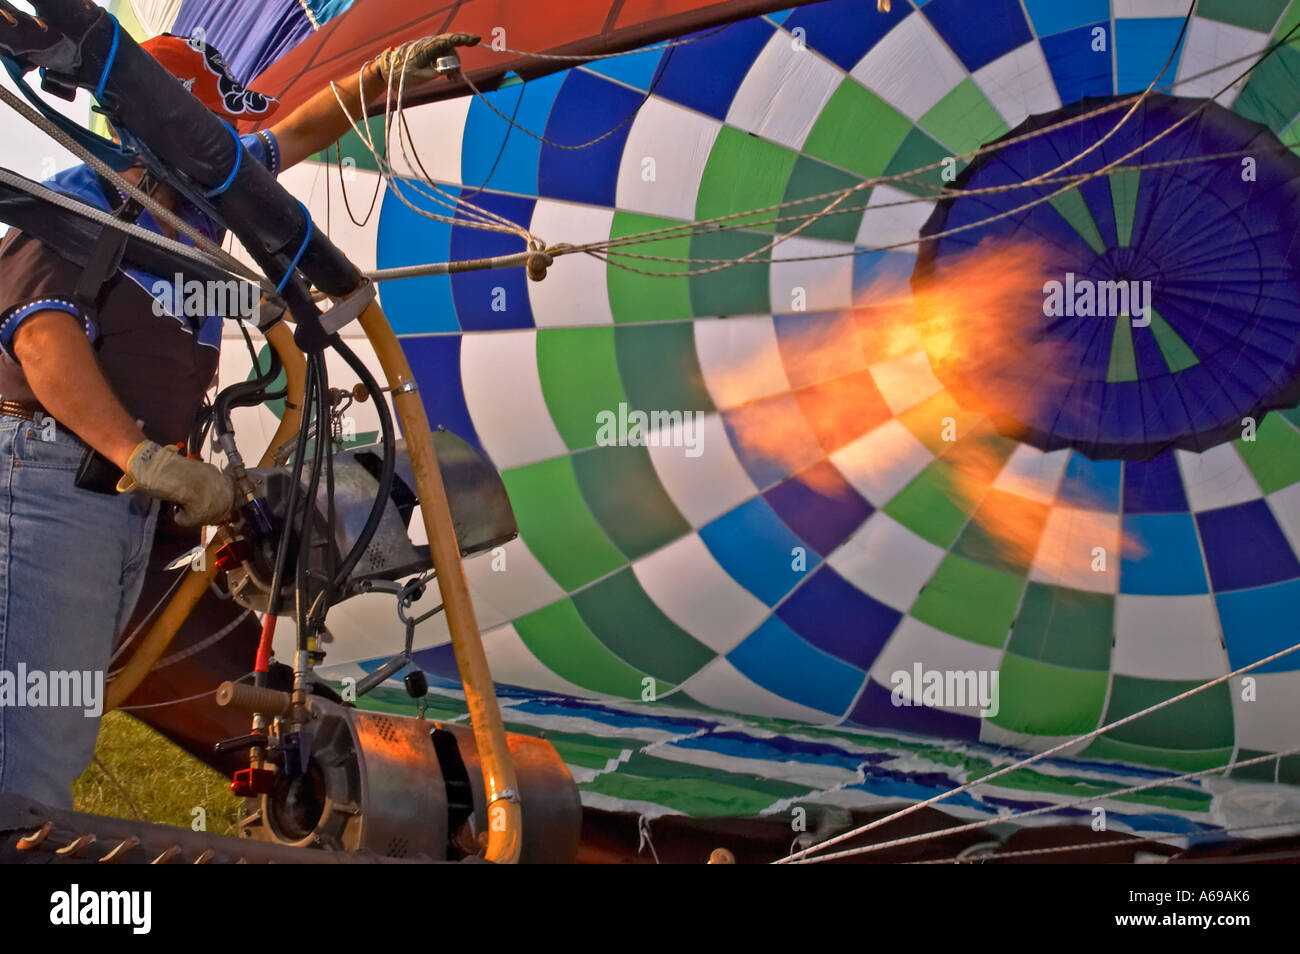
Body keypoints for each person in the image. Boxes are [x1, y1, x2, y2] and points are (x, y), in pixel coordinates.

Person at [0, 28, 479, 808]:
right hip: (49, 478)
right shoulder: (83, 197)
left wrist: (379, 77)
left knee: (59, 712)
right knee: (27, 731)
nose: (227, 144)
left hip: (117, 496)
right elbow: (40, 334)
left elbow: (294, 133)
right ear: (158, 123)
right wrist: (144, 457)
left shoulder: (203, 201)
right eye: (207, 128)